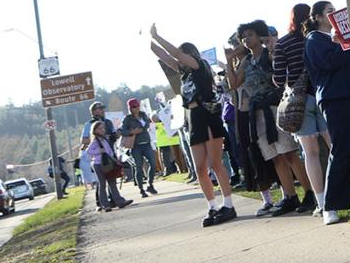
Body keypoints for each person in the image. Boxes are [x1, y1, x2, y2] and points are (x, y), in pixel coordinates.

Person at [226, 19, 314, 217]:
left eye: (250, 35)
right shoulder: (246, 61)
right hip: (257, 112)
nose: (246, 39)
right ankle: (290, 196)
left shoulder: (270, 54)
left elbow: (280, 74)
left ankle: (309, 192)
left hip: (274, 107)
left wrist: (271, 45)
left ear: (259, 35)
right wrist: (229, 64)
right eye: (244, 36)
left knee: (289, 151)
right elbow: (233, 84)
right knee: (274, 156)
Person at [151, 25, 236, 227]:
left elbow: (176, 54)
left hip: (206, 114)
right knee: (199, 168)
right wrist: (150, 42)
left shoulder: (200, 66)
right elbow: (166, 57)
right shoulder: (185, 74)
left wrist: (158, 35)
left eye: (184, 55)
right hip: (192, 116)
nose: (181, 61)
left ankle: (229, 204)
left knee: (215, 162)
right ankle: (212, 206)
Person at [303, 1, 350, 225]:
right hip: (336, 99)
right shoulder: (315, 39)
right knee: (341, 150)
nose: (333, 14)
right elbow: (329, 62)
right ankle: (331, 205)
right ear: (317, 17)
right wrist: (342, 43)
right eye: (329, 11)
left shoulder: (342, 37)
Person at [273, 3, 323, 214]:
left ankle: (320, 200)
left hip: (299, 102)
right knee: (334, 146)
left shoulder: (283, 43)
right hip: (322, 91)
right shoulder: (317, 37)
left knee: (310, 153)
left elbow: (277, 78)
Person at [86, 120, 131, 211]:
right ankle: (105, 205)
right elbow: (88, 151)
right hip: (99, 164)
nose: (102, 130)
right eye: (99, 128)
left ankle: (120, 201)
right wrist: (99, 152)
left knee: (112, 182)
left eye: (103, 128)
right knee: (102, 184)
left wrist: (115, 159)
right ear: (95, 131)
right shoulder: (95, 141)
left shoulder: (105, 139)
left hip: (108, 164)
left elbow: (109, 151)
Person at [120, 99, 157, 198]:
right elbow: (122, 131)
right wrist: (132, 132)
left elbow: (148, 123)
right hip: (136, 146)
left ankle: (150, 184)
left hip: (146, 143)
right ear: (130, 108)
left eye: (137, 106)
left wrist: (142, 129)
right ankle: (141, 189)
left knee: (153, 164)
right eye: (134, 107)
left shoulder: (143, 114)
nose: (136, 108)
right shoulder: (127, 119)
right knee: (139, 168)